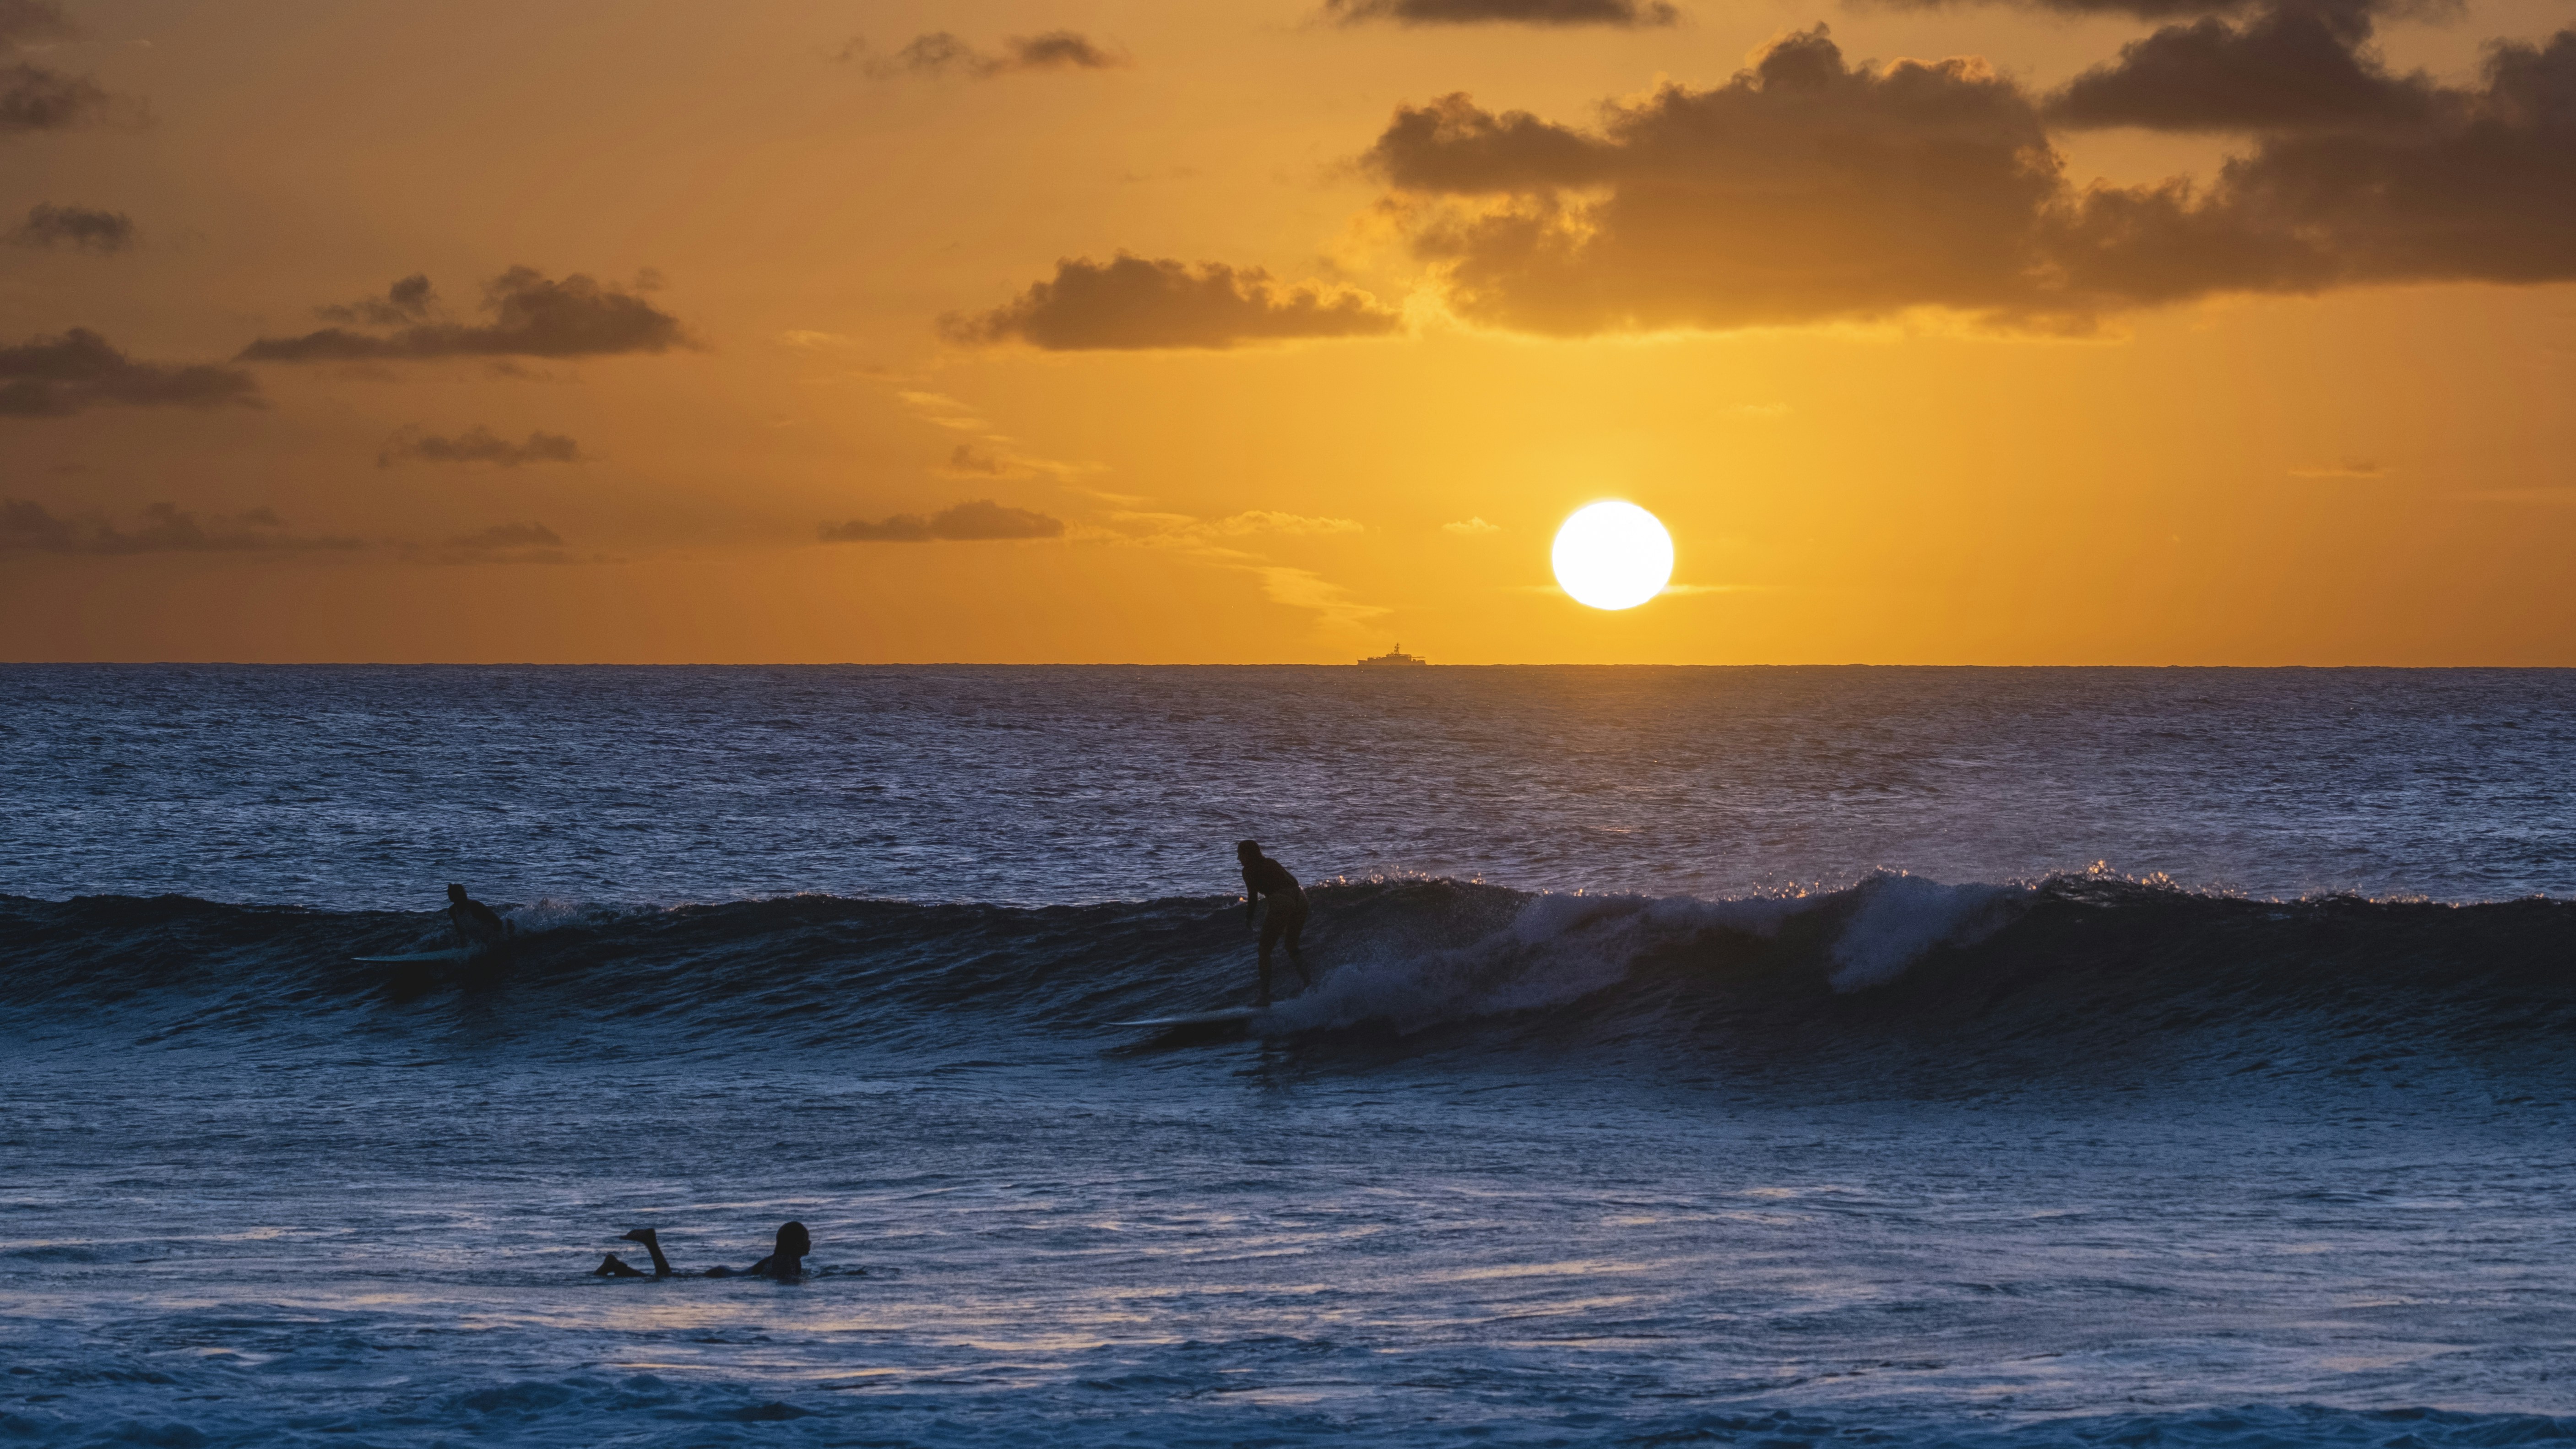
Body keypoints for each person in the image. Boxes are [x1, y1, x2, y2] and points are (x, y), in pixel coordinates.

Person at [1236, 840, 1313, 1008]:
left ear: (1248, 855)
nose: (1238, 858)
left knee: (1264, 950)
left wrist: (1249, 918)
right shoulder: (1271, 862)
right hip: (1301, 899)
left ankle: (1264, 998)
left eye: (1240, 854)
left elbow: (1253, 897)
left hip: (1282, 900)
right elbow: (1292, 881)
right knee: (1292, 947)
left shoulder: (1248, 870)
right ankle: (1310, 985)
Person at [593, 1222, 810, 1281]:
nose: (809, 1244)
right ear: (792, 1244)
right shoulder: (784, 1262)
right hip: (722, 1276)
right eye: (805, 1240)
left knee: (664, 1278)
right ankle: (650, 1243)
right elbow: (776, 1278)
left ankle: (616, 1266)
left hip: (725, 1274)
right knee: (665, 1278)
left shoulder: (790, 1261)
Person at [445, 883, 511, 951]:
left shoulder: (475, 906)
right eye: (458, 894)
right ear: (452, 898)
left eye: (463, 893)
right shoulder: (453, 911)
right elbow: (461, 933)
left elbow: (498, 923)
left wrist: (494, 945)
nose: (463, 896)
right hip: (483, 941)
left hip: (505, 933)